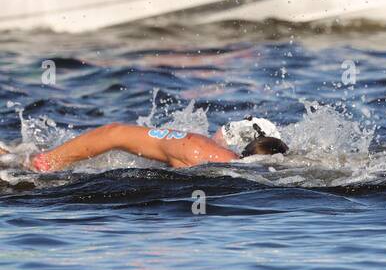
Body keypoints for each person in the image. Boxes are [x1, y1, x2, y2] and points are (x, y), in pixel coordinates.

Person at [0, 117, 287, 172]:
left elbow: (114, 133)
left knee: (115, 133)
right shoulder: (220, 159)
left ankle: (43, 163)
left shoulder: (196, 147)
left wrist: (50, 160)